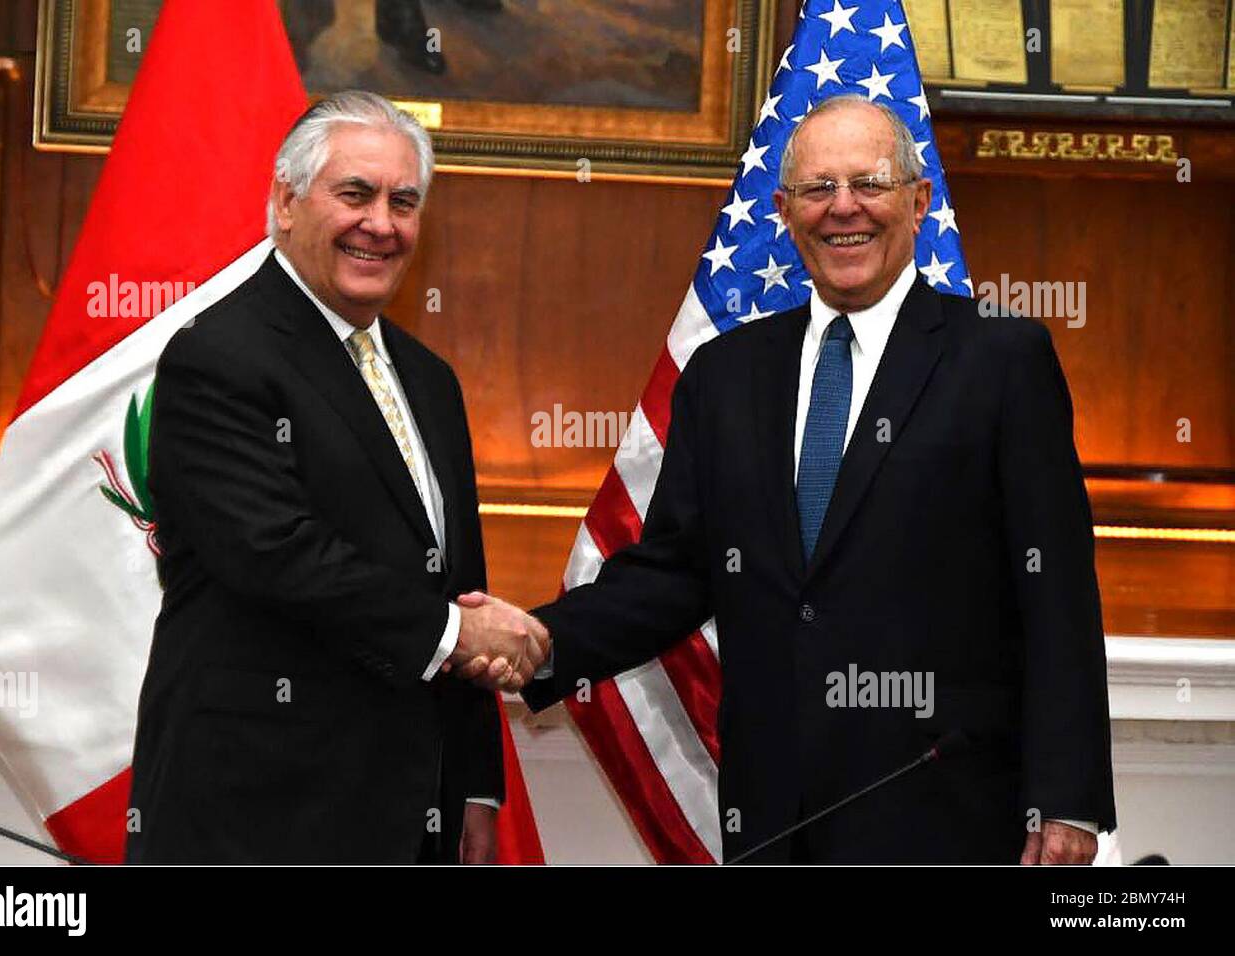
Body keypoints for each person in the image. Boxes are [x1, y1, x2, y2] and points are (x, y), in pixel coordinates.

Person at [471, 94, 1115, 864]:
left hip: (947, 814)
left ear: (918, 201)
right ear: (783, 210)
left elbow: (1058, 595)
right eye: (818, 189)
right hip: (773, 817)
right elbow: (675, 572)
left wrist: (1067, 798)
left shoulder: (1001, 363)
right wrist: (543, 642)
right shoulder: (725, 375)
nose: (844, 210)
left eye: (869, 184)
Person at [126, 91, 547, 864]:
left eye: (403, 201)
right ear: (286, 203)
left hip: (408, 809)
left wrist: (476, 784)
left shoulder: (429, 379)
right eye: (354, 194)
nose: (380, 224)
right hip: (257, 812)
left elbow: (461, 578)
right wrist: (458, 636)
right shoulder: (218, 356)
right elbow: (276, 551)